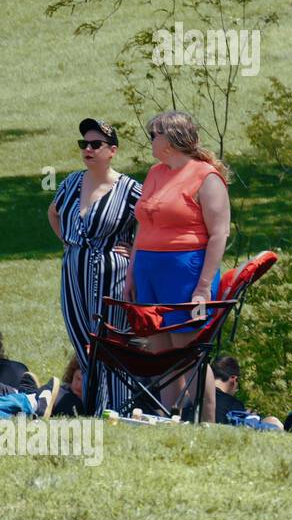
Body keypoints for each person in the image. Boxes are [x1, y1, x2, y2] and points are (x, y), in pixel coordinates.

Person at [127, 111, 231, 423]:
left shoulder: (207, 176)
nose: (151, 141)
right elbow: (141, 227)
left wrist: (202, 288)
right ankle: (168, 421)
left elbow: (219, 234)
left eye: (153, 135)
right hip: (148, 275)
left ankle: (208, 423)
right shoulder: (155, 173)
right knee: (161, 352)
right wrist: (131, 273)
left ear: (171, 139)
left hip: (186, 275)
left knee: (188, 354)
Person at [47, 119, 142, 415]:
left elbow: (152, 225)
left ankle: (119, 412)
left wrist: (134, 252)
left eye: (95, 144)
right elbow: (53, 212)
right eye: (83, 144)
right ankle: (94, 412)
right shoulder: (72, 182)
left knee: (111, 345)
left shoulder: (129, 189)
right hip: (73, 276)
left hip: (112, 276)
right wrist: (69, 241)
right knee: (83, 345)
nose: (87, 149)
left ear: (112, 150)